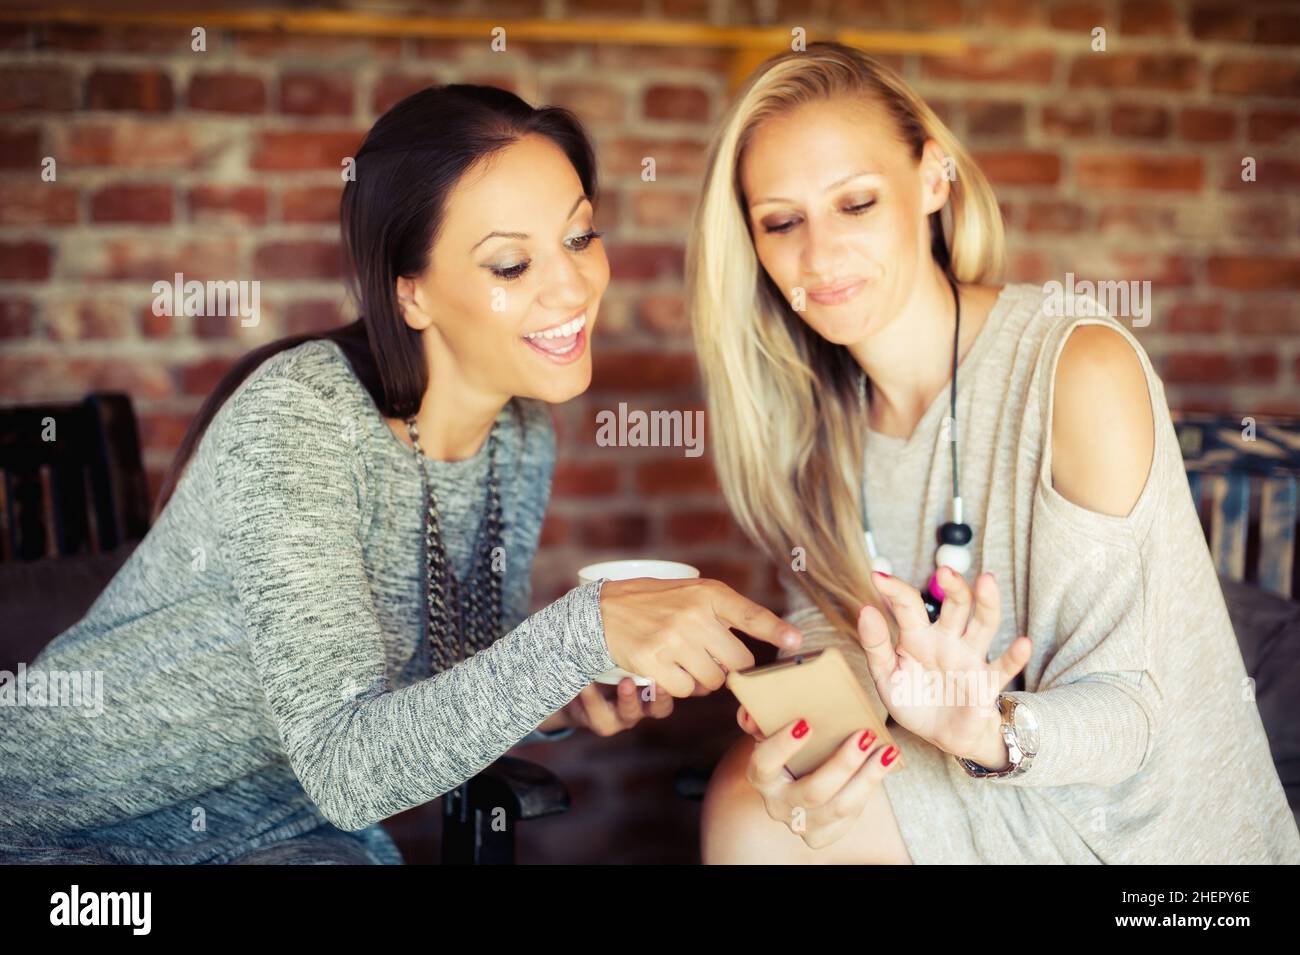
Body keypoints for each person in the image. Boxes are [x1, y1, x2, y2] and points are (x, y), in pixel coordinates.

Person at [0, 84, 801, 865]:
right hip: (63, 829)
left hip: (283, 831)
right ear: (411, 293)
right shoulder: (304, 415)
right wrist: (579, 632)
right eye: (511, 265)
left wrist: (563, 689)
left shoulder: (519, 433)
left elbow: (444, 687)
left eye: (580, 237)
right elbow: (349, 769)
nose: (571, 286)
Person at [689, 42, 1300, 864]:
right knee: (753, 799)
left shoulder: (1077, 366)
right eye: (782, 220)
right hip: (981, 810)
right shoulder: (809, 431)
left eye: (856, 203)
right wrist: (805, 773)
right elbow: (838, 663)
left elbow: (1135, 714)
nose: (820, 254)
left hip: (1158, 851)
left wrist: (986, 727)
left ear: (933, 180)